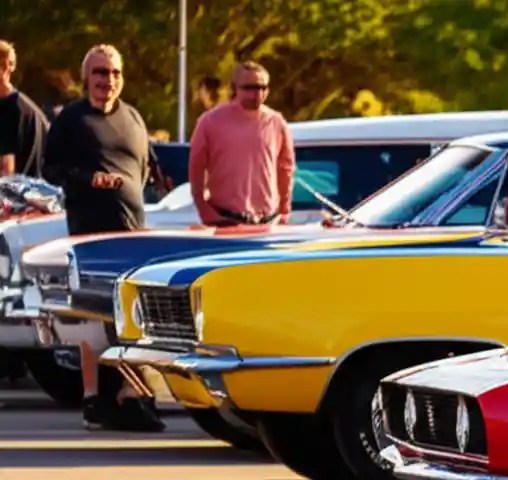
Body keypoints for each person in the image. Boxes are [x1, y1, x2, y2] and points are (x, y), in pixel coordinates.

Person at [42, 44, 163, 431]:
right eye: (99, 73)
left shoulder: (133, 118)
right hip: (90, 235)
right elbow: (50, 170)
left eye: (113, 73)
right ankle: (98, 398)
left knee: (130, 316)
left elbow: (146, 166)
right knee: (97, 319)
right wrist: (88, 179)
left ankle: (125, 394)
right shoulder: (72, 120)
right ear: (86, 78)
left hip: (132, 232)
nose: (106, 81)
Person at [189, 61, 295, 227]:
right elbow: (196, 167)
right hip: (226, 220)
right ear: (234, 88)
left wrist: (284, 211)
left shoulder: (276, 122)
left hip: (267, 221)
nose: (257, 94)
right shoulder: (210, 122)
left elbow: (285, 168)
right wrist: (203, 208)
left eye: (262, 88)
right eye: (250, 88)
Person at [0, 40, 49, 177]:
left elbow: (7, 171)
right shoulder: (25, 107)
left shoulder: (15, 110)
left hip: (17, 193)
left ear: (9, 67)